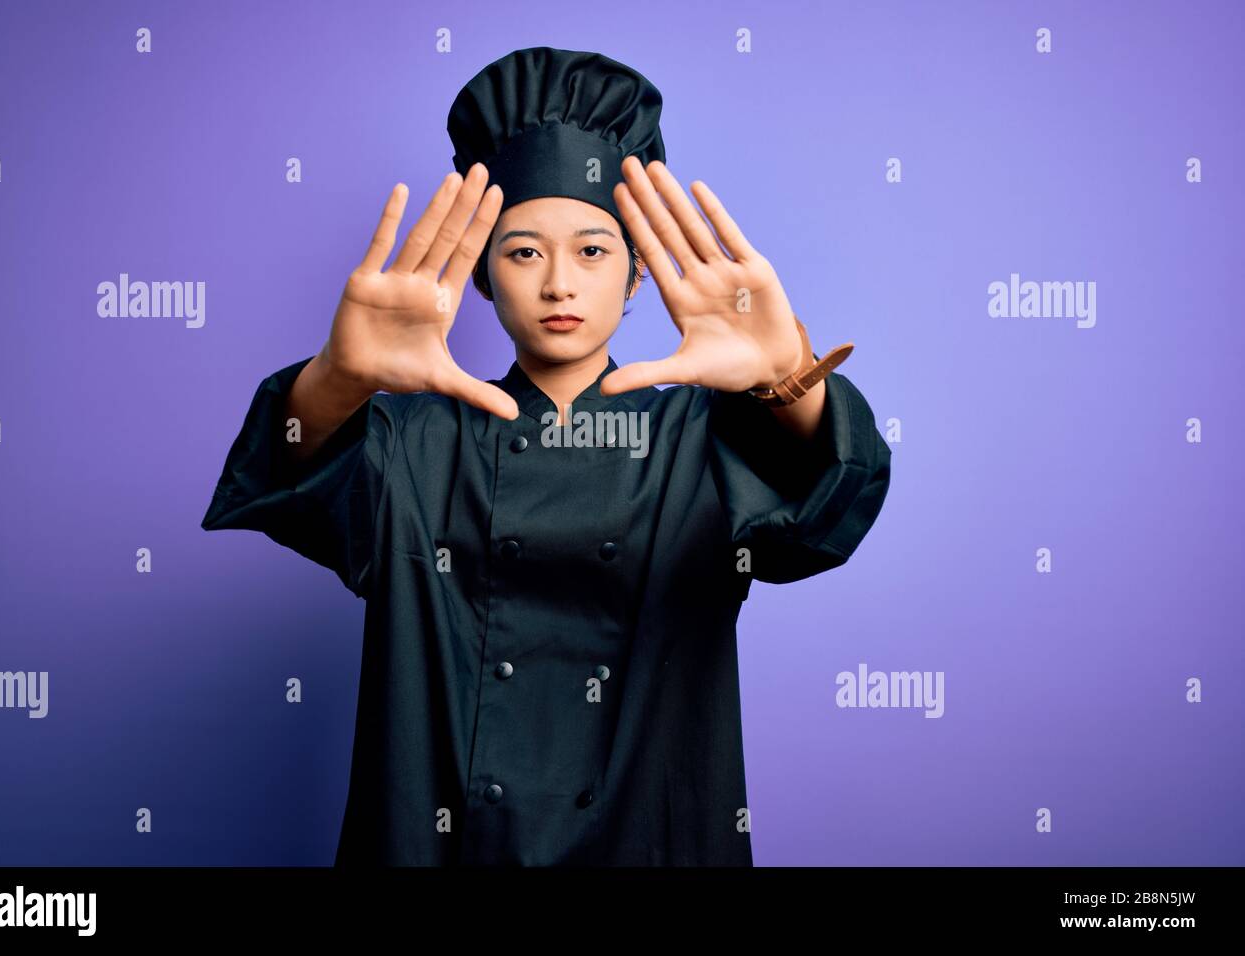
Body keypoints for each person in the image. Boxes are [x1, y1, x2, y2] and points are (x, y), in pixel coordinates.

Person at [201, 47, 891, 866]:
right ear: (483, 277)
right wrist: (334, 379)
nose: (559, 283)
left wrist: (788, 379)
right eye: (524, 251)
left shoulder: (705, 437)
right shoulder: (413, 443)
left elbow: (830, 512)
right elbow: (286, 471)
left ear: (639, 274)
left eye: (594, 251)